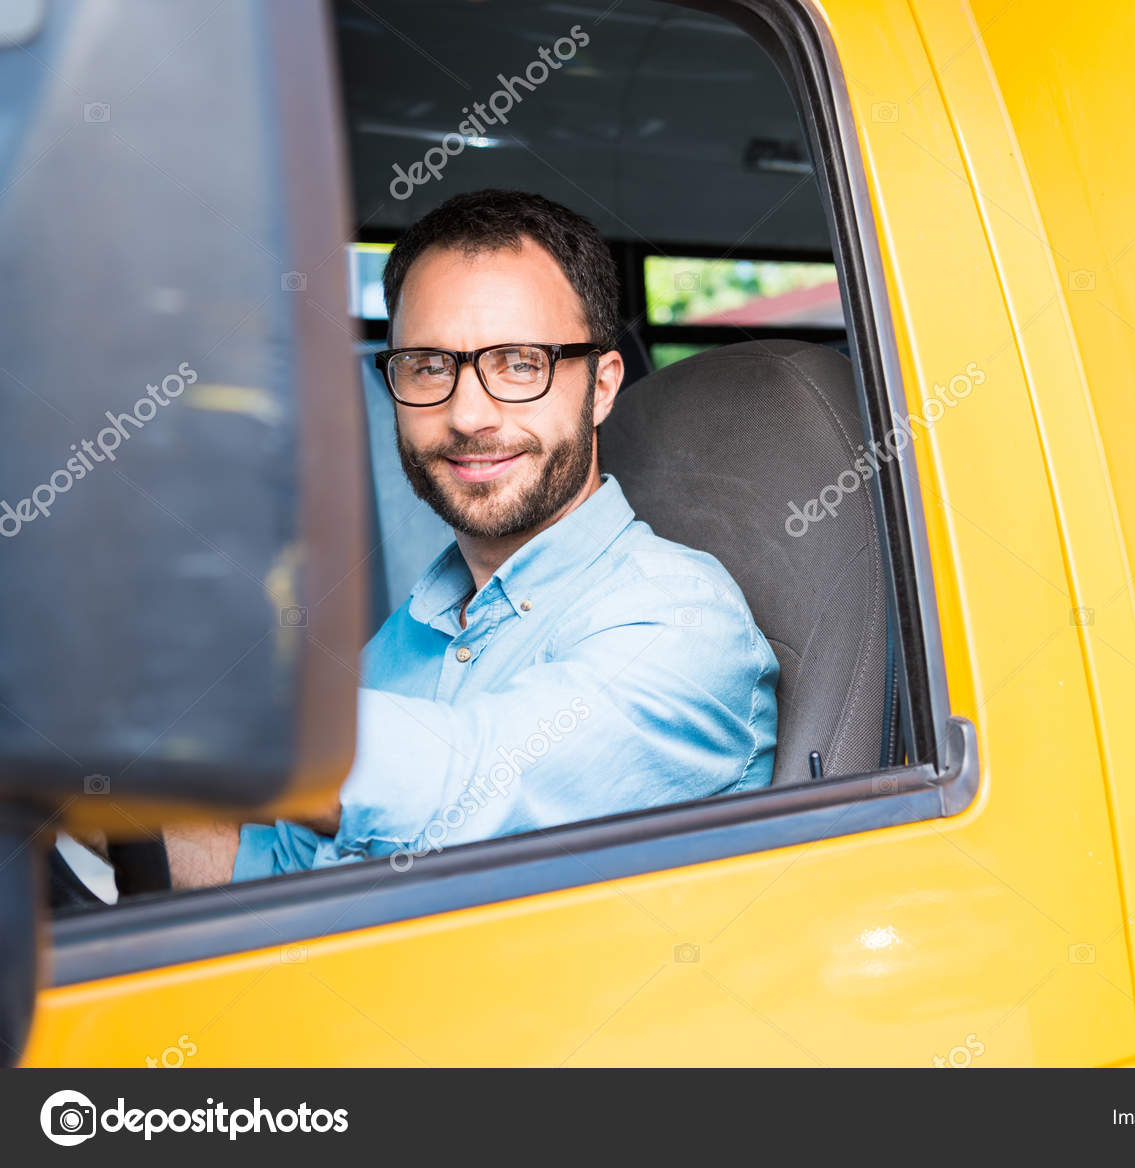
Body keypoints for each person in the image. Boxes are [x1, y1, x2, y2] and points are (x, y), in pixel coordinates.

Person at [165, 189, 778, 885]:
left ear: (603, 386)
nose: (467, 414)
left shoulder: (684, 624)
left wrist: (174, 713)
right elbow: (278, 873)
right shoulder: (408, 639)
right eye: (428, 364)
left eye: (519, 362)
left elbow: (466, 784)